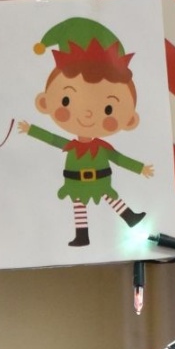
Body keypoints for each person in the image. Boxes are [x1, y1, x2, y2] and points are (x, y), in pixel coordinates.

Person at [16, 18, 155, 247]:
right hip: (75, 181)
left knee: (110, 196)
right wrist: (31, 130)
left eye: (108, 108)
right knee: (79, 204)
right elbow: (52, 139)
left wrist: (140, 168)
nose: (87, 114)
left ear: (130, 119)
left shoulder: (102, 148)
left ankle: (129, 217)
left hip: (101, 178)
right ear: (44, 102)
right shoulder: (71, 146)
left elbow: (119, 159)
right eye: (67, 99)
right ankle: (82, 235)